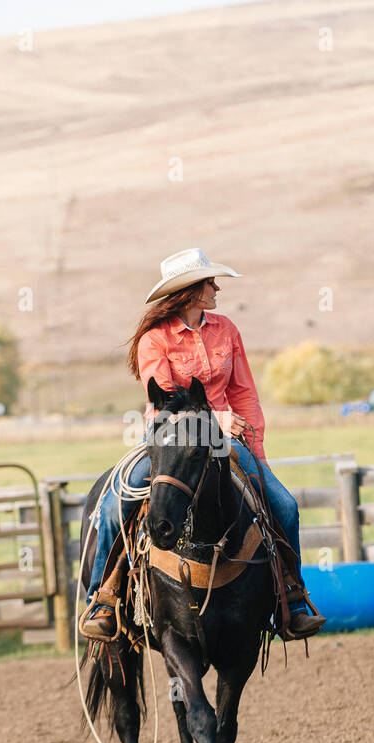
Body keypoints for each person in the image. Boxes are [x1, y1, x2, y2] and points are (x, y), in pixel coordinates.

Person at [81, 248, 326, 640]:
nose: (216, 288)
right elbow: (166, 403)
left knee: (285, 506)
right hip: (170, 438)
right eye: (210, 282)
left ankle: (292, 601)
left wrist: (256, 454)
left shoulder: (226, 330)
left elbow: (244, 394)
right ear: (191, 292)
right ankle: (103, 598)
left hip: (226, 439)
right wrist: (216, 420)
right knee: (114, 506)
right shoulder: (154, 340)